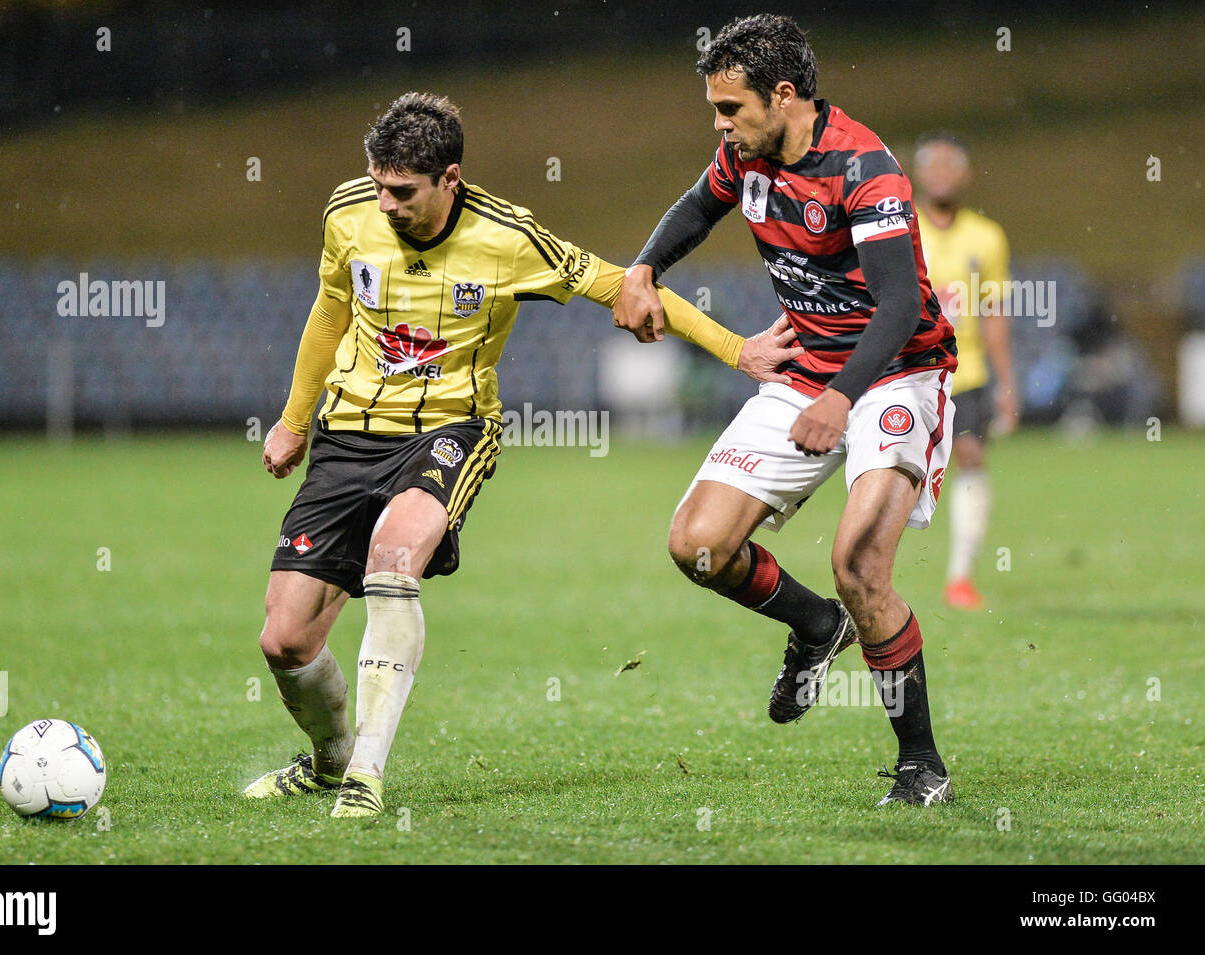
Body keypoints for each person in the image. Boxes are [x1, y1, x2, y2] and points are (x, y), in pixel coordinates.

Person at [243, 91, 799, 817]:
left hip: (450, 431)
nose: (386, 204)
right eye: (379, 186)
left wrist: (736, 349)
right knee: (284, 640)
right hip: (348, 434)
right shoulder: (348, 212)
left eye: (402, 191)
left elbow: (618, 282)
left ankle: (365, 777)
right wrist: (293, 420)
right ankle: (330, 760)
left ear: (450, 180)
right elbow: (329, 310)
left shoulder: (507, 237)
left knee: (394, 555)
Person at [613, 15, 958, 806]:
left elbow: (901, 306)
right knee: (697, 546)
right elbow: (696, 209)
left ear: (784, 95)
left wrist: (841, 399)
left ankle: (921, 763)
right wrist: (642, 268)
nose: (720, 126)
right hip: (808, 374)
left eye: (730, 109)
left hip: (896, 374)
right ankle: (814, 626)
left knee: (860, 563)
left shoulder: (865, 169)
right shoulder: (746, 155)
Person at [913, 132, 1017, 610]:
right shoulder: (900, 224)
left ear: (965, 175)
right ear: (919, 174)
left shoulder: (987, 237)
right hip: (908, 369)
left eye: (949, 165)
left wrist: (1007, 384)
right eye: (931, 165)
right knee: (895, 468)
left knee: (972, 457)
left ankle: (959, 577)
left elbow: (994, 313)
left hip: (966, 369)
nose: (940, 174)